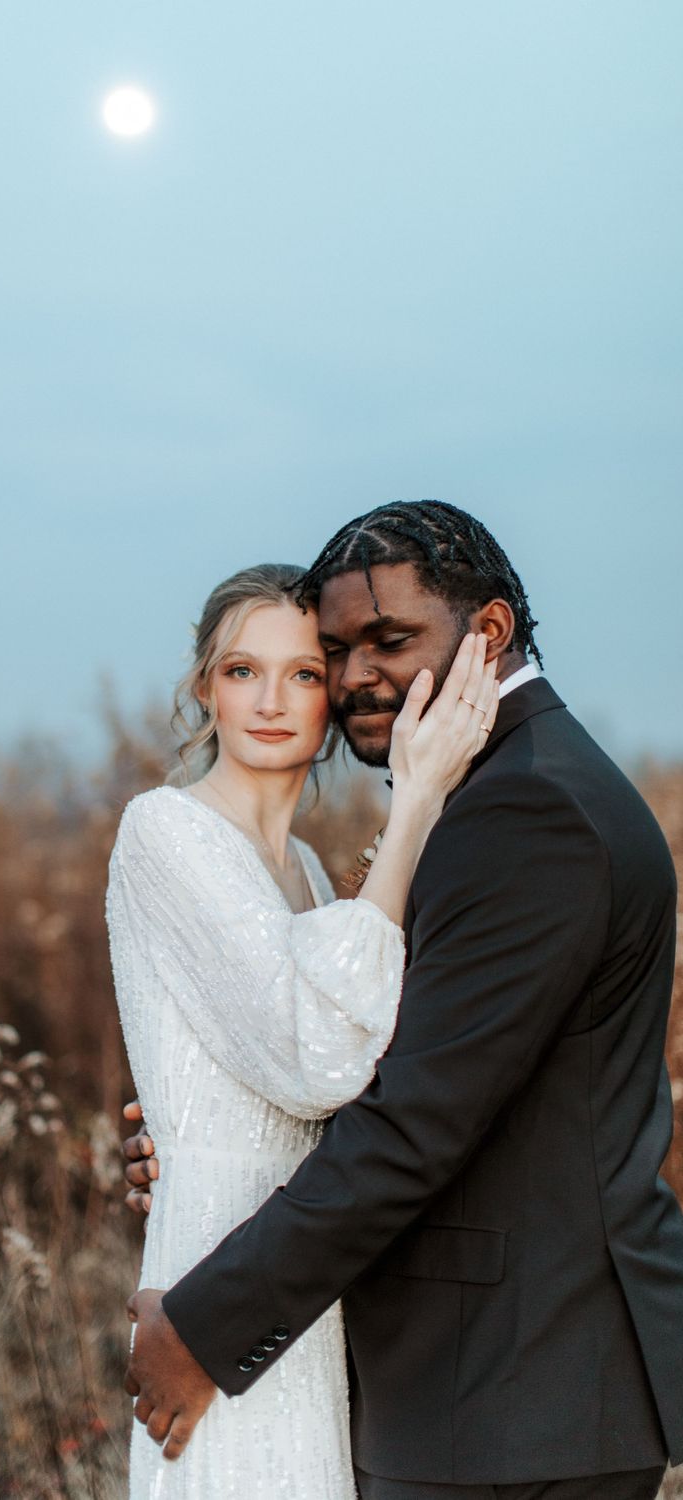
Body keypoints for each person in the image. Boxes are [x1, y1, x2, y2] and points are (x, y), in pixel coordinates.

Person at [124, 501, 683, 1500]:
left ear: (489, 632)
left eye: (389, 641)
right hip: (504, 1392)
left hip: (511, 1395)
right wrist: (204, 1130)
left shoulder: (526, 810)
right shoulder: (516, 783)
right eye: (332, 651)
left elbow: (418, 1119)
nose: (352, 680)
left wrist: (205, 1323)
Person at [107, 559, 498, 1500]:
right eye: (243, 671)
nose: (271, 701)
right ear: (205, 688)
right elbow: (320, 1059)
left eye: (303, 674)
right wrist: (415, 806)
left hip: (298, 1278)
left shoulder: (315, 880)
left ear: (330, 695)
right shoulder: (165, 833)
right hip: (213, 1270)